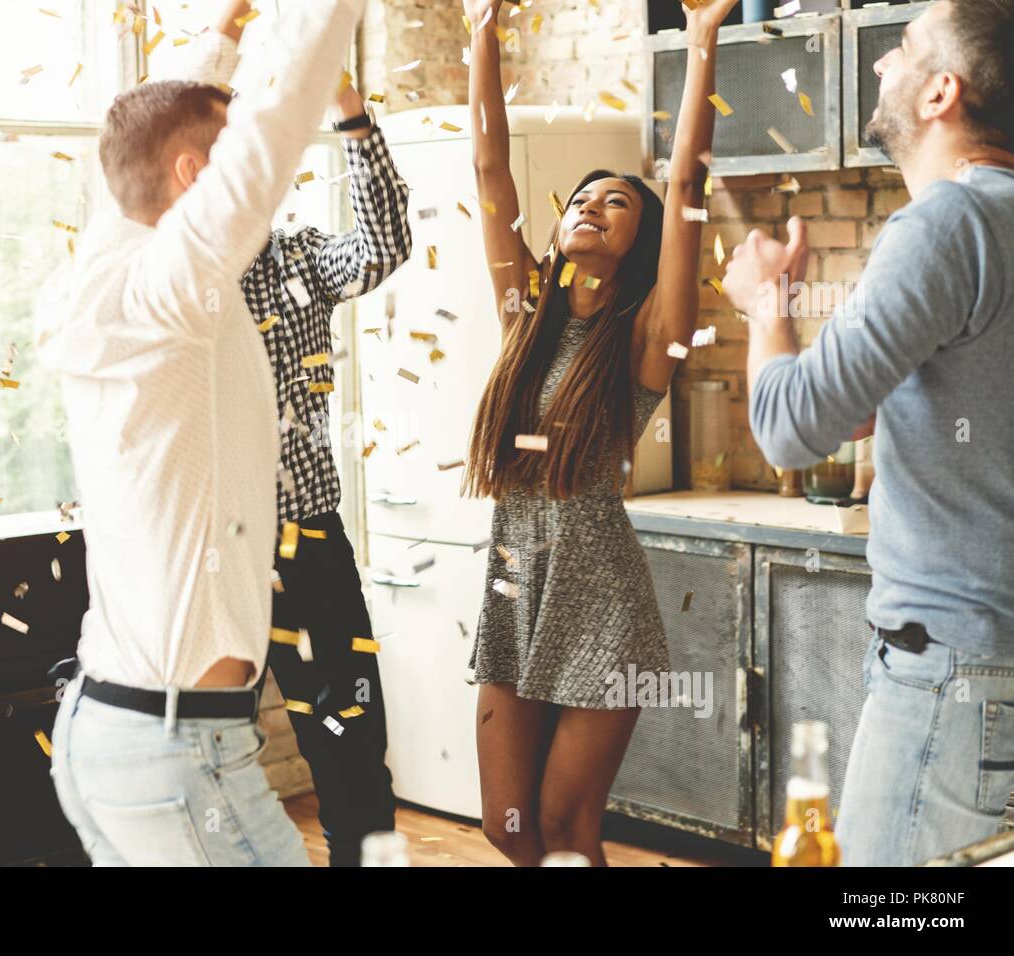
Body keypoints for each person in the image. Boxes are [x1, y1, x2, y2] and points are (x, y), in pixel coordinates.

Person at [37, 0, 369, 866]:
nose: (256, 200)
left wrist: (218, 42)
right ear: (194, 180)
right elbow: (272, 128)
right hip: (181, 756)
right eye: (219, 182)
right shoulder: (169, 293)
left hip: (104, 735)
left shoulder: (106, 263)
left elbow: (158, 138)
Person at [725, 0, 1014, 866]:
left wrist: (765, 308)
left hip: (953, 673)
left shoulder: (945, 226)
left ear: (941, 94)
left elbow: (788, 428)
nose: (883, 62)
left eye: (905, 49)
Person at [460, 0, 738, 866]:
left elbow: (686, 184)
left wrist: (700, 39)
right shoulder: (524, 318)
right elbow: (488, 168)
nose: (591, 205)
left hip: (600, 603)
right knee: (508, 830)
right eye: (580, 197)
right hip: (514, 583)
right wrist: (481, 31)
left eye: (614, 201)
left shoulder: (647, 339)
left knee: (566, 830)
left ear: (639, 241)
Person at [153, 0, 412, 868]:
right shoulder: (178, 275)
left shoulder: (300, 259)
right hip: (214, 551)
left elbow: (385, 243)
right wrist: (219, 44)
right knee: (201, 751)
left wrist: (349, 112)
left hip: (312, 547)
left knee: (349, 738)